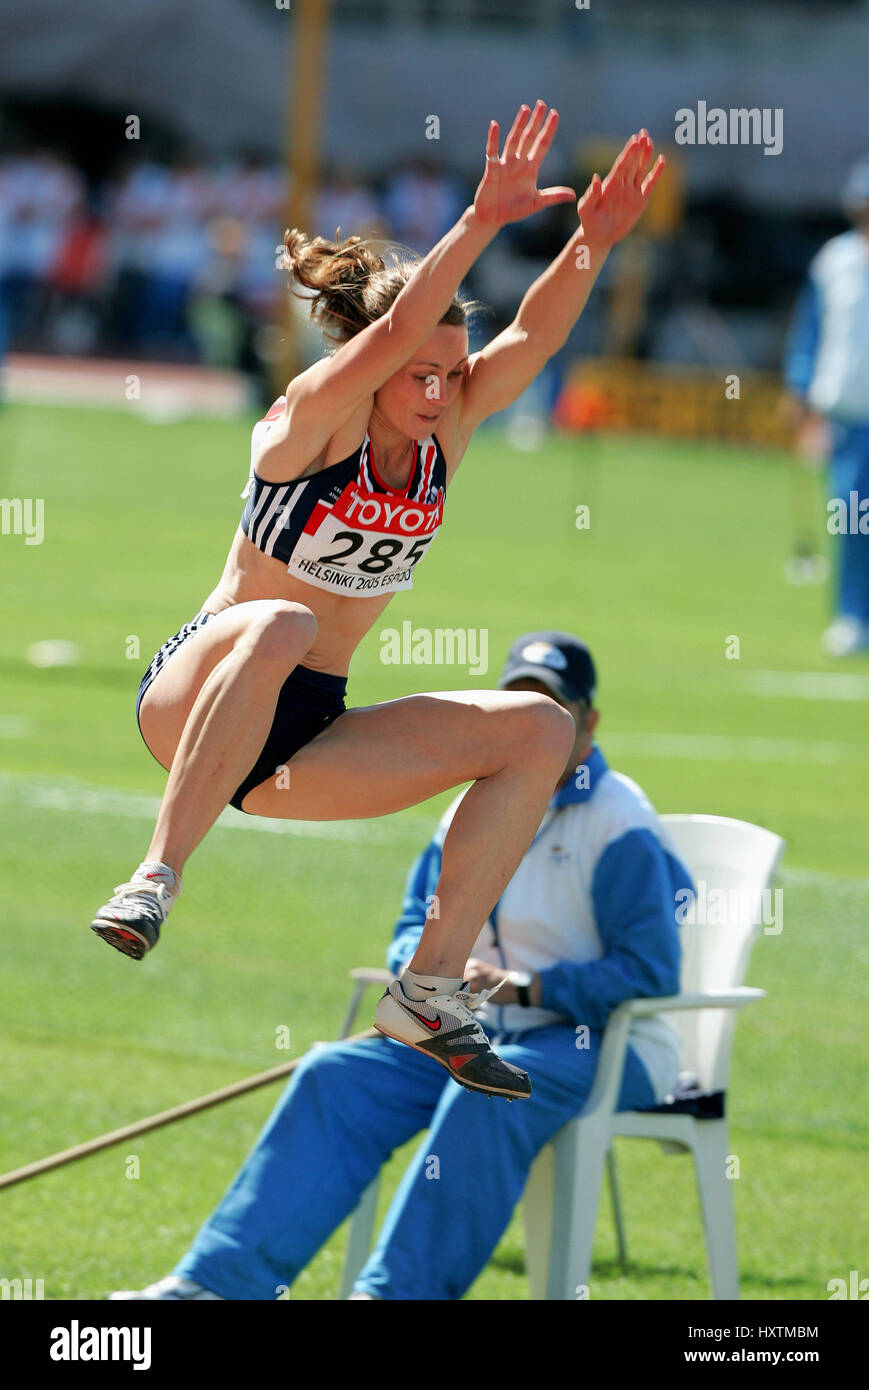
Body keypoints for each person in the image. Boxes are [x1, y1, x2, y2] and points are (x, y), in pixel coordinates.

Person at [90, 103, 665, 1101]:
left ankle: (430, 990)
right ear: (371, 362)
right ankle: (153, 877)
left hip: (305, 738)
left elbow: (529, 332)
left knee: (536, 727)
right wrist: (480, 221)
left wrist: (590, 243)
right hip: (197, 691)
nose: (441, 392)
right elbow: (404, 323)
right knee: (283, 620)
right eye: (420, 374)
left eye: (453, 374)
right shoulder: (308, 420)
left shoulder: (446, 426)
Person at [108, 631, 691, 1302]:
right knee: (336, 1077)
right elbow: (413, 926)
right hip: (464, 1029)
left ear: (585, 722)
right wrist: (434, 974)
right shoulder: (475, 803)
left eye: (551, 709)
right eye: (518, 702)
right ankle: (214, 1286)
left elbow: (650, 974)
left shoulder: (621, 824)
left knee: (485, 1096)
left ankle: (395, 1295)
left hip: (598, 1043)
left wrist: (529, 985)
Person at [783, 155, 869, 656]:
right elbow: (809, 334)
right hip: (849, 414)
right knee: (853, 516)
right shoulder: (833, 261)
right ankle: (852, 615)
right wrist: (800, 394)